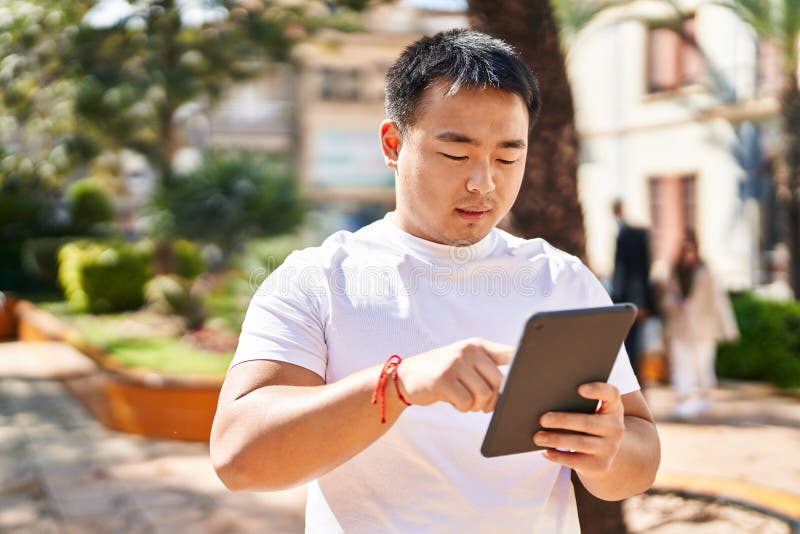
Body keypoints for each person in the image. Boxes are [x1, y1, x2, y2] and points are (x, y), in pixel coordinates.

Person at [210, 29, 660, 532]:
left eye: (509, 156)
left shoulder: (561, 280)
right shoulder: (316, 280)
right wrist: (399, 384)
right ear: (393, 144)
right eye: (456, 153)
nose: (484, 182)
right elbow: (238, 457)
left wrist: (608, 454)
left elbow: (637, 459)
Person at [661, 229, 739, 420]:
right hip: (680, 327)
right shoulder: (674, 271)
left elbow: (719, 301)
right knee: (681, 364)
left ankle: (701, 397)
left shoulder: (706, 271)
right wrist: (673, 303)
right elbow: (665, 298)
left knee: (702, 364)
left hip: (704, 328)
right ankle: (685, 399)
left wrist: (729, 328)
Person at [610, 199, 653, 377]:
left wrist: (639, 303)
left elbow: (637, 272)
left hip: (630, 301)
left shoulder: (633, 235)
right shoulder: (621, 232)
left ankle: (633, 380)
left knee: (633, 344)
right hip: (619, 299)